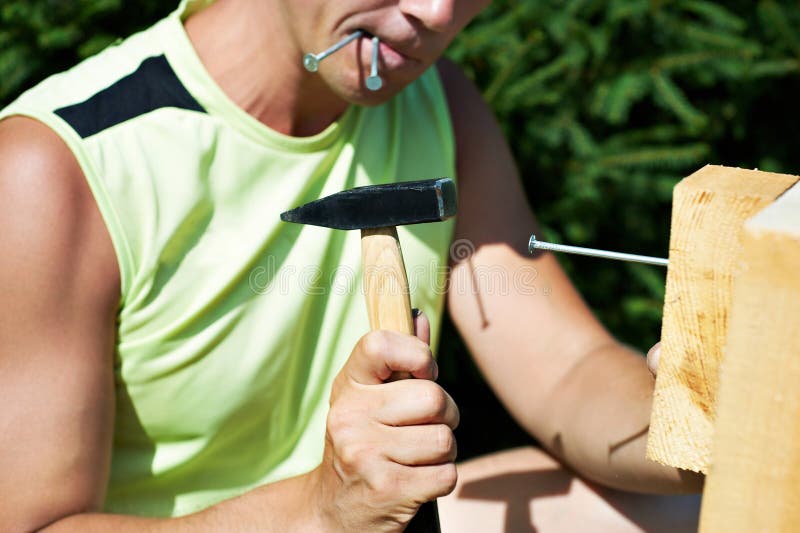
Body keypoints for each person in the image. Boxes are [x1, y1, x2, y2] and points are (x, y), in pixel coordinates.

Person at [0, 0, 702, 530]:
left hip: (367, 518)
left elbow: (568, 371)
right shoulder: (56, 167)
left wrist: (706, 419)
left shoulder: (442, 104)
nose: (435, 14)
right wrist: (321, 505)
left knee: (708, 503)